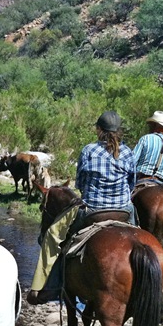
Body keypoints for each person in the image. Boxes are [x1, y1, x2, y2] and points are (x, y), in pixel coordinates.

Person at [27, 110, 136, 305]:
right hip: (124, 210)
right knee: (139, 235)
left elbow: (81, 184)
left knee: (53, 235)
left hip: (93, 210)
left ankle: (47, 287)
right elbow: (131, 183)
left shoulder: (89, 150)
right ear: (119, 131)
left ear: (98, 130)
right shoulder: (128, 152)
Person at [133, 110, 163, 185]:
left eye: (150, 124)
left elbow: (133, 160)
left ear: (154, 125)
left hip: (142, 177)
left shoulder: (145, 138)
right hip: (160, 181)